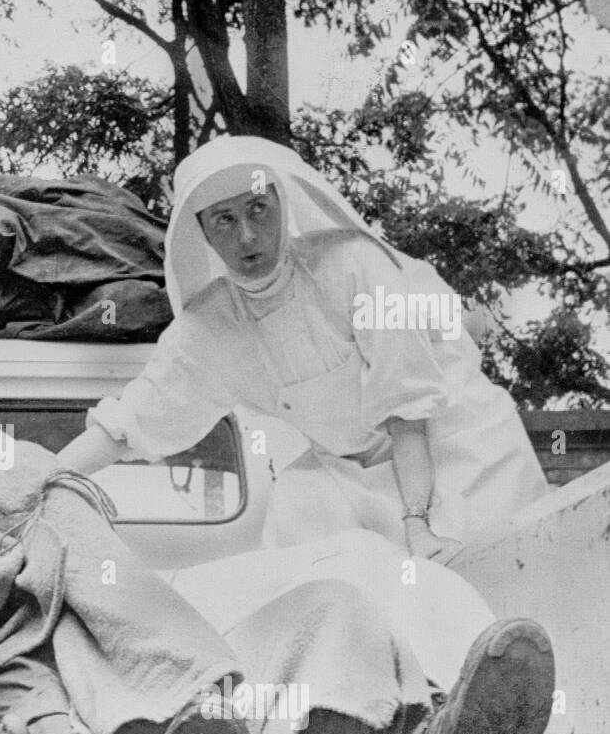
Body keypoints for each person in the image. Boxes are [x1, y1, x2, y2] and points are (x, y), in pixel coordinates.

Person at [58, 136, 548, 562]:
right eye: (224, 220)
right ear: (203, 233)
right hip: (349, 471)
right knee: (308, 560)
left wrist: (418, 527)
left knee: (479, 579)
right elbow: (130, 425)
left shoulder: (351, 264)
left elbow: (408, 412)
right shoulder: (208, 327)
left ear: (281, 203)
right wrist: (43, 479)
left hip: (455, 446)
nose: (248, 236)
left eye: (257, 209)